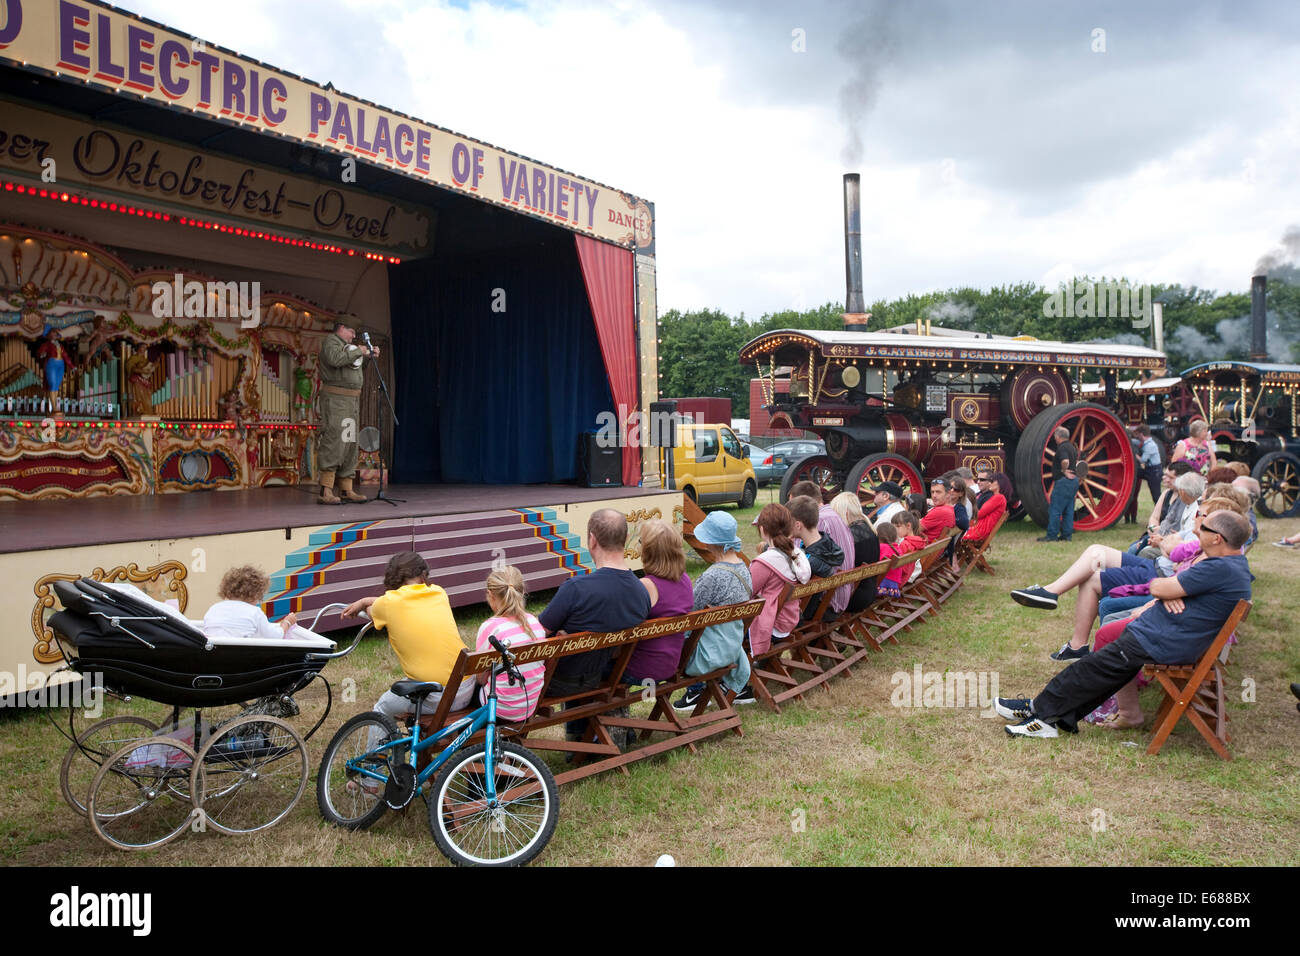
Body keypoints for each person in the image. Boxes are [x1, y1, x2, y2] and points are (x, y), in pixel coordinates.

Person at [997, 511, 1253, 738]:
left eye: (1204, 528)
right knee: (1105, 671)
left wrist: (1165, 590)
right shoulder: (1233, 566)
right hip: (1167, 636)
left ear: (1217, 538)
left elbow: (1159, 585)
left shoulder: (1217, 568)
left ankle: (1041, 714)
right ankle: (1054, 714)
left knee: (1090, 668)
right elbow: (1170, 588)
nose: (1197, 530)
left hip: (1162, 640)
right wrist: (1169, 592)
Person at [1011, 471, 1206, 660]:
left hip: (1160, 574)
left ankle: (1076, 643)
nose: (1201, 512)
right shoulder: (1195, 517)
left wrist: (1166, 543)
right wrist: (1167, 543)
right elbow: (1170, 544)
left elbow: (1175, 551)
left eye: (1204, 511)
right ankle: (1052, 594)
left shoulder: (1200, 525)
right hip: (1157, 564)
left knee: (1092, 578)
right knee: (1096, 551)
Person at [339, 552, 476, 758]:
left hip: (436, 697)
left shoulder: (388, 604)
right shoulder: (439, 592)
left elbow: (374, 609)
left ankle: (370, 780)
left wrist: (364, 601)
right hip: (465, 688)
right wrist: (370, 600)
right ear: (423, 576)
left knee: (382, 708)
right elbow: (403, 601)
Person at [538, 508, 651, 741]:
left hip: (557, 681)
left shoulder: (575, 589)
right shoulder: (641, 592)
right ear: (624, 538)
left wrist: (565, 636)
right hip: (601, 676)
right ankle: (580, 735)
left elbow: (539, 632)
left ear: (592, 540)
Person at [674, 510, 757, 711]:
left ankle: (695, 691)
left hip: (706, 655)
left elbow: (689, 615)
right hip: (731, 649)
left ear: (710, 542)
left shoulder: (712, 577)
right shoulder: (745, 570)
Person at [472, 565, 547, 722]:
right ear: (522, 592)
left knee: (470, 689)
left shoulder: (490, 627)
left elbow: (480, 678)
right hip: (528, 703)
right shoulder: (534, 623)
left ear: (490, 595)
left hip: (499, 709)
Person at [623, 520, 693, 686]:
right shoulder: (685, 580)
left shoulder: (646, 586)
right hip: (669, 665)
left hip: (642, 670)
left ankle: (590, 712)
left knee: (585, 671)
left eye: (640, 542)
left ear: (649, 551)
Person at [317, 318, 379, 505]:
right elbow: (335, 360)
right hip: (336, 399)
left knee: (350, 441)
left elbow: (353, 369)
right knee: (335, 440)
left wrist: (368, 357)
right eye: (351, 332)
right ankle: (325, 489)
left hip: (352, 400)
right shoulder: (331, 342)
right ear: (342, 328)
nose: (353, 336)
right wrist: (358, 351)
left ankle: (346, 488)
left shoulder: (349, 348)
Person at [789, 480, 854, 618]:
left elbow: (796, 560)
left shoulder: (818, 522)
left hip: (825, 601)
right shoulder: (835, 515)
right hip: (842, 593)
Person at [203, 565, 300, 639]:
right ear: (256, 594)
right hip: (242, 657)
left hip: (214, 656)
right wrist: (287, 622)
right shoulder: (255, 612)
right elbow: (275, 636)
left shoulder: (214, 608)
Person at [830, 491, 881, 611]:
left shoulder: (850, 536)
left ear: (844, 513)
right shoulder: (869, 529)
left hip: (853, 597)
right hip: (869, 591)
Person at [1039, 426, 1080, 542]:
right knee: (1068, 510)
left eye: (1055, 437)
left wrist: (1063, 471)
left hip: (1063, 481)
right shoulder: (1072, 447)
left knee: (1055, 510)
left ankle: (1052, 536)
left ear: (1058, 436)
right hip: (1073, 481)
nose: (1054, 439)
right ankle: (1067, 536)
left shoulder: (1062, 448)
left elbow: (1065, 461)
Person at [965, 470, 1007, 547]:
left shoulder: (998, 498)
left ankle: (949, 557)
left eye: (992, 481)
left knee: (949, 537)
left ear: (999, 483)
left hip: (978, 531)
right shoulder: (997, 498)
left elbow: (979, 514)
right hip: (978, 529)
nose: (989, 483)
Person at [37, 328, 73, 413]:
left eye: (56, 333)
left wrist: (72, 366)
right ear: (49, 335)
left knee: (56, 386)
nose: (55, 334)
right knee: (52, 384)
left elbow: (65, 356)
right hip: (52, 364)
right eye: (53, 333)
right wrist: (42, 354)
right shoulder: (47, 344)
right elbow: (40, 353)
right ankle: (53, 406)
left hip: (61, 364)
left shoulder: (60, 345)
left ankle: (55, 406)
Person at [922, 476, 957, 543]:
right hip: (933, 549)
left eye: (938, 492)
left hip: (924, 550)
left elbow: (914, 529)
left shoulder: (940, 511)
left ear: (948, 494)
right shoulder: (949, 509)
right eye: (932, 492)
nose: (934, 495)